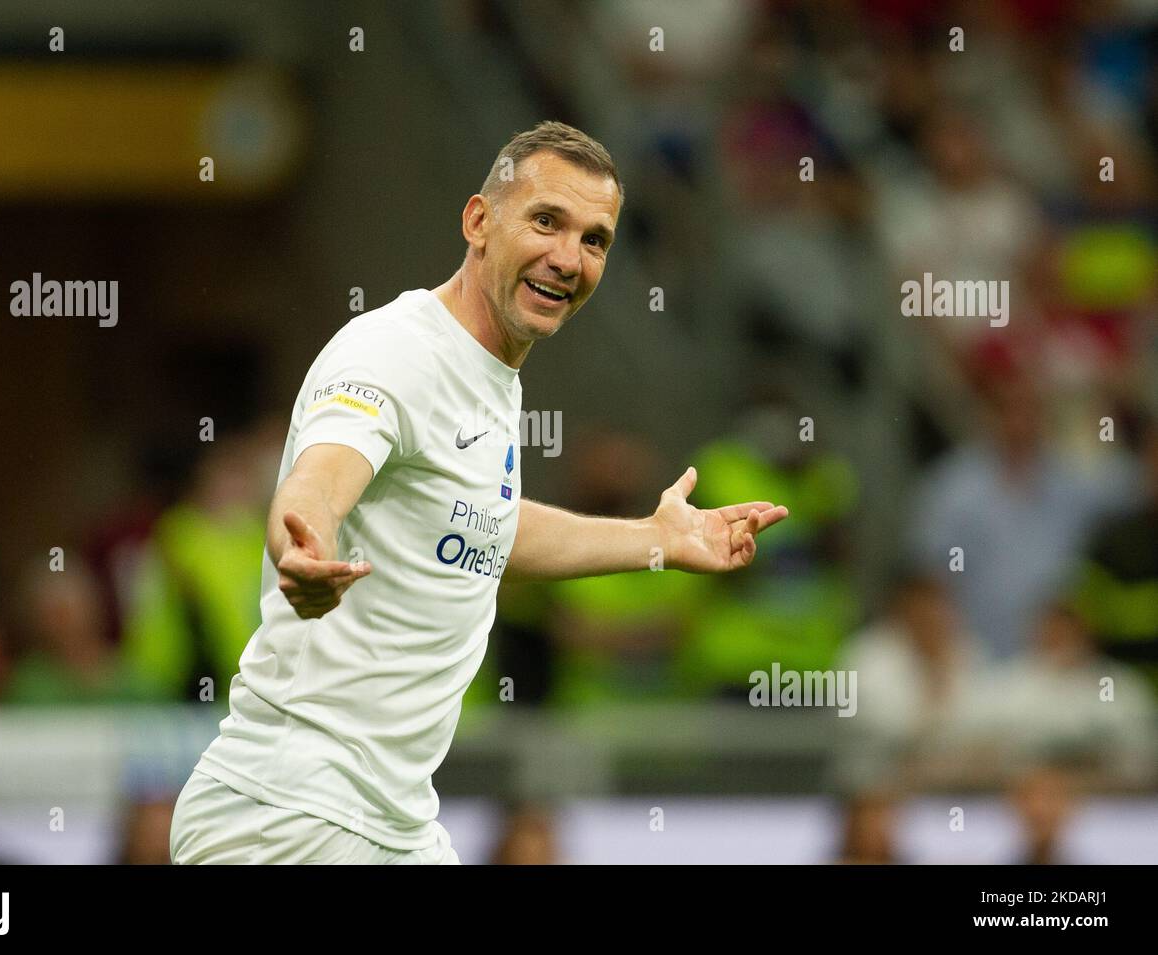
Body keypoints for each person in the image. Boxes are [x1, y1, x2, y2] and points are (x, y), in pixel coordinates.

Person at [170, 121, 788, 865]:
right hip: (287, 817)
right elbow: (320, 477)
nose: (568, 258)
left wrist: (658, 539)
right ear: (478, 222)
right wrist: (303, 540)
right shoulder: (395, 352)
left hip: (388, 822)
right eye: (547, 221)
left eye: (595, 240)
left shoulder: (488, 373)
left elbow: (480, 522)